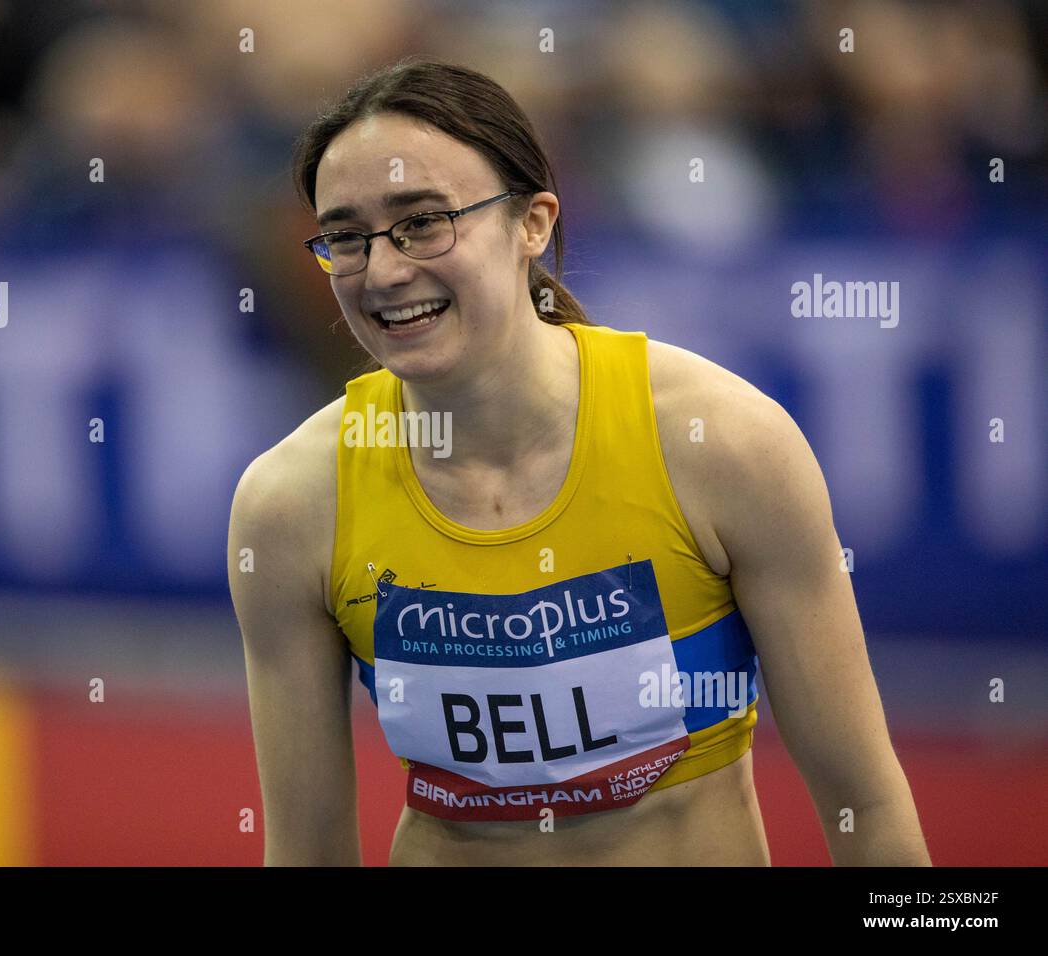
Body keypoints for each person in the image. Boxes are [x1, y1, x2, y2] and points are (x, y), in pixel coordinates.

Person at [227, 57, 930, 867]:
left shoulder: (722, 445)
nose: (384, 270)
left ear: (532, 223)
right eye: (347, 237)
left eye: (423, 221)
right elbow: (306, 853)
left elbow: (868, 810)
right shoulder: (291, 504)